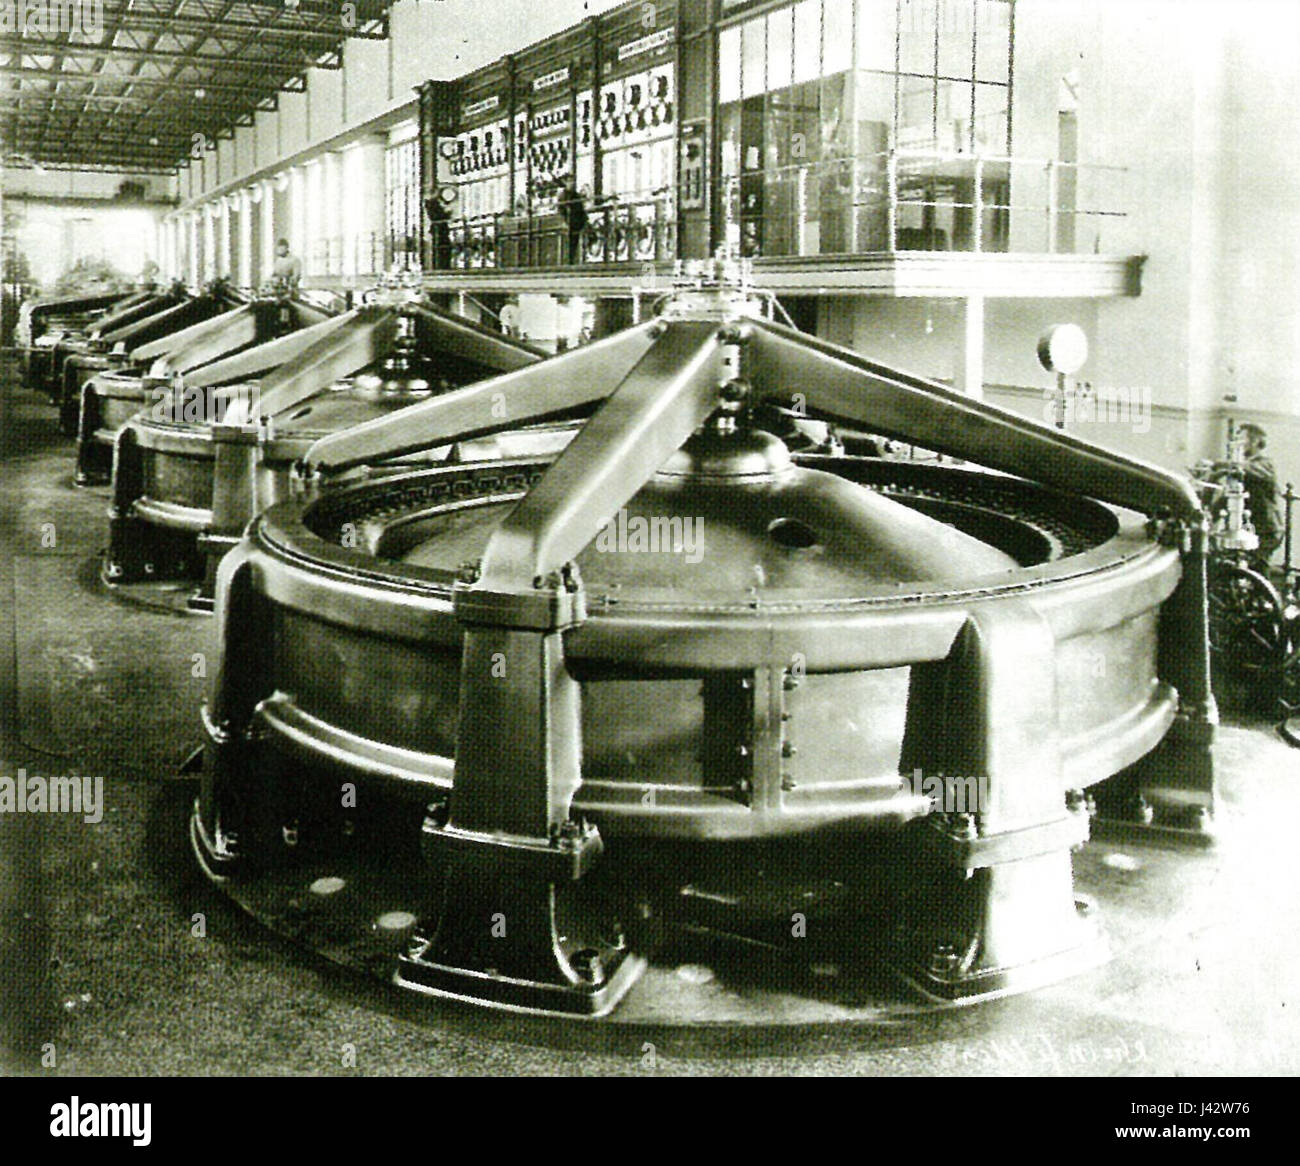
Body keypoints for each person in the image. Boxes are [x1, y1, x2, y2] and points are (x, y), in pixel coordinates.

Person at [1237, 423, 1283, 568]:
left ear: (1255, 441)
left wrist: (1219, 465)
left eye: (1242, 438)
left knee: (1259, 571)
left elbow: (1245, 469)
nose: (1238, 442)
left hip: (1267, 529)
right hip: (1255, 527)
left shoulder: (1264, 463)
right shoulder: (1247, 465)